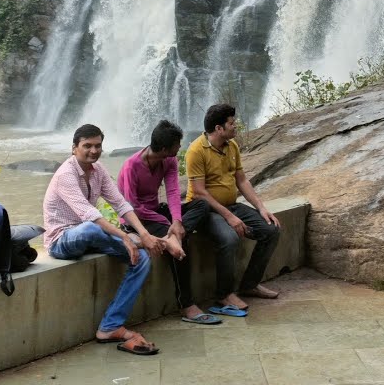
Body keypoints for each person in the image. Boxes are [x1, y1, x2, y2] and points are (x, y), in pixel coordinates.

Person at [43, 124, 162, 355]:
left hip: (91, 235)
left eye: (97, 146)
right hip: (62, 241)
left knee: (143, 259)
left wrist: (144, 234)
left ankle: (110, 326)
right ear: (74, 148)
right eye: (87, 146)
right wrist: (127, 236)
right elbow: (90, 215)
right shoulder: (65, 175)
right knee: (91, 228)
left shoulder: (98, 170)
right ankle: (133, 241)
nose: (93, 151)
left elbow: (120, 203)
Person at [116, 119, 220, 326]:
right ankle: (187, 304)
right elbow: (132, 208)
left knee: (201, 205)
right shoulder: (131, 167)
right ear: (164, 148)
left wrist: (177, 221)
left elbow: (173, 191)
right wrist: (167, 221)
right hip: (136, 220)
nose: (180, 147)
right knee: (181, 240)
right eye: (177, 145)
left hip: (156, 212)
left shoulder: (169, 160)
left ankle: (174, 237)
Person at [186, 104, 281, 317]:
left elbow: (242, 180)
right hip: (206, 211)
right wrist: (229, 217)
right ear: (219, 128)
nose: (235, 126)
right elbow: (200, 193)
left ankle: (249, 284)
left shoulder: (232, 146)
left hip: (231, 205)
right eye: (231, 123)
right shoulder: (195, 151)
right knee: (229, 238)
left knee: (271, 229)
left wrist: (262, 208)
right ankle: (224, 294)